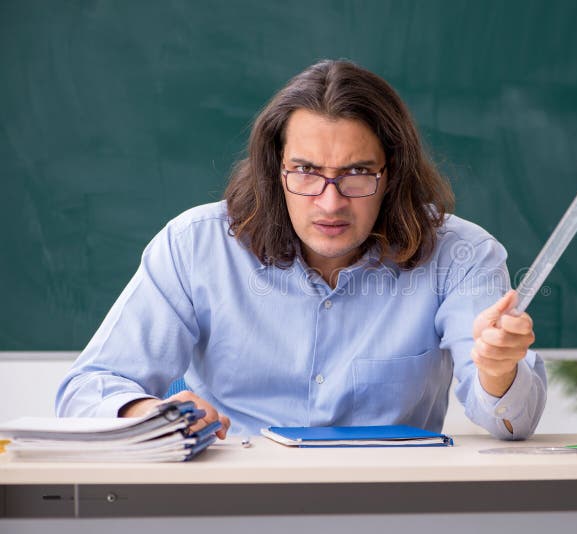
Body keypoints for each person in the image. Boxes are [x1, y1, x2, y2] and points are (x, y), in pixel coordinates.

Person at [56, 60, 547, 440]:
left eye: (357, 173)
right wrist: (152, 412)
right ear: (275, 169)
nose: (330, 203)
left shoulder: (462, 255)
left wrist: (498, 371)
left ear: (392, 174)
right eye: (307, 171)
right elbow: (86, 390)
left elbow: (514, 424)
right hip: (231, 504)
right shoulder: (194, 246)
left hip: (387, 507)